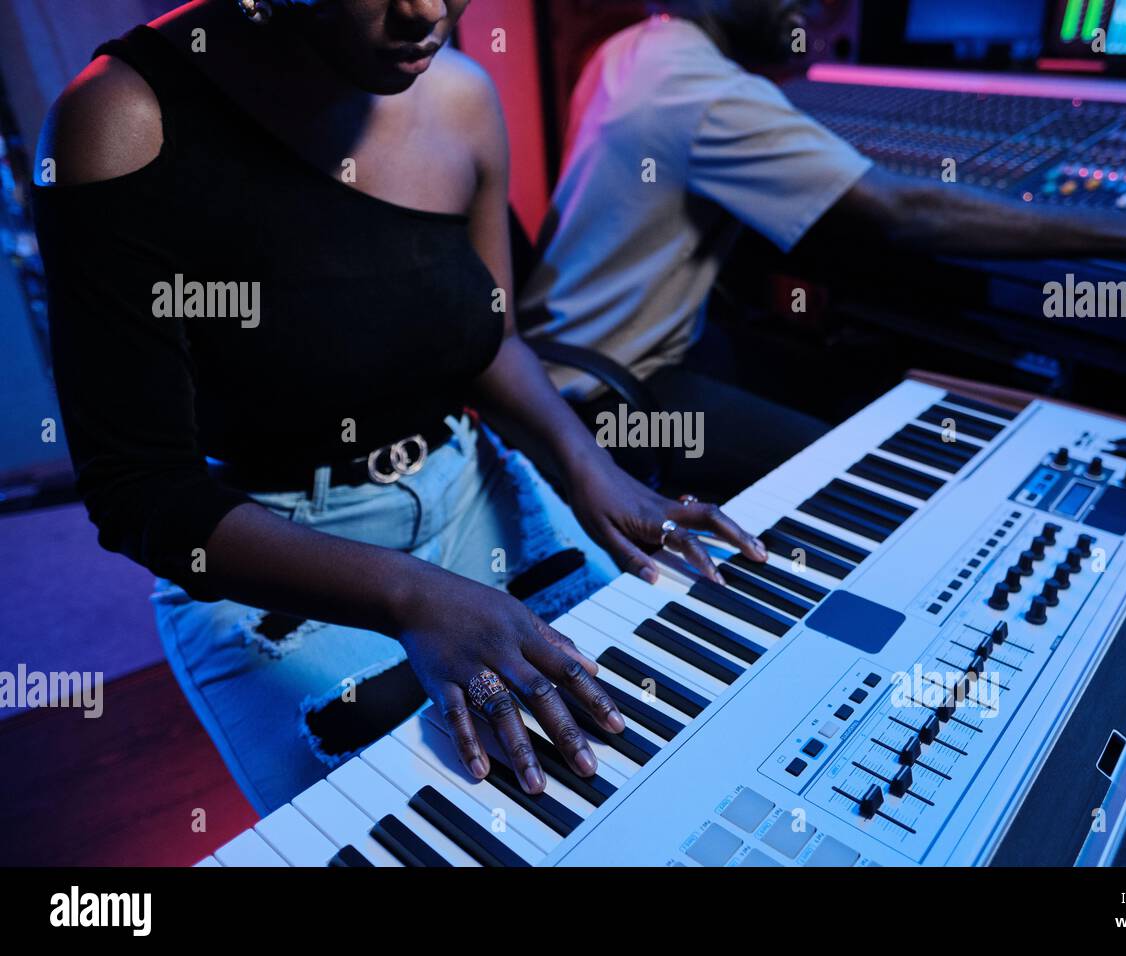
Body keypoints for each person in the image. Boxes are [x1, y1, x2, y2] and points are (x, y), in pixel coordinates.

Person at [34, 0, 767, 816]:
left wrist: (589, 469)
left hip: (473, 489)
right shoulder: (120, 119)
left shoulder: (459, 94)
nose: (424, 9)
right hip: (274, 554)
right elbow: (140, 490)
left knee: (658, 761)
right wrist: (411, 595)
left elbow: (488, 340)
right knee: (443, 826)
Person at [520, 0, 1126, 499]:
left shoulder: (634, 49)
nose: (802, 9)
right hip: (609, 404)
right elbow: (904, 210)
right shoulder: (706, 93)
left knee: (855, 381)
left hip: (561, 370)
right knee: (874, 482)